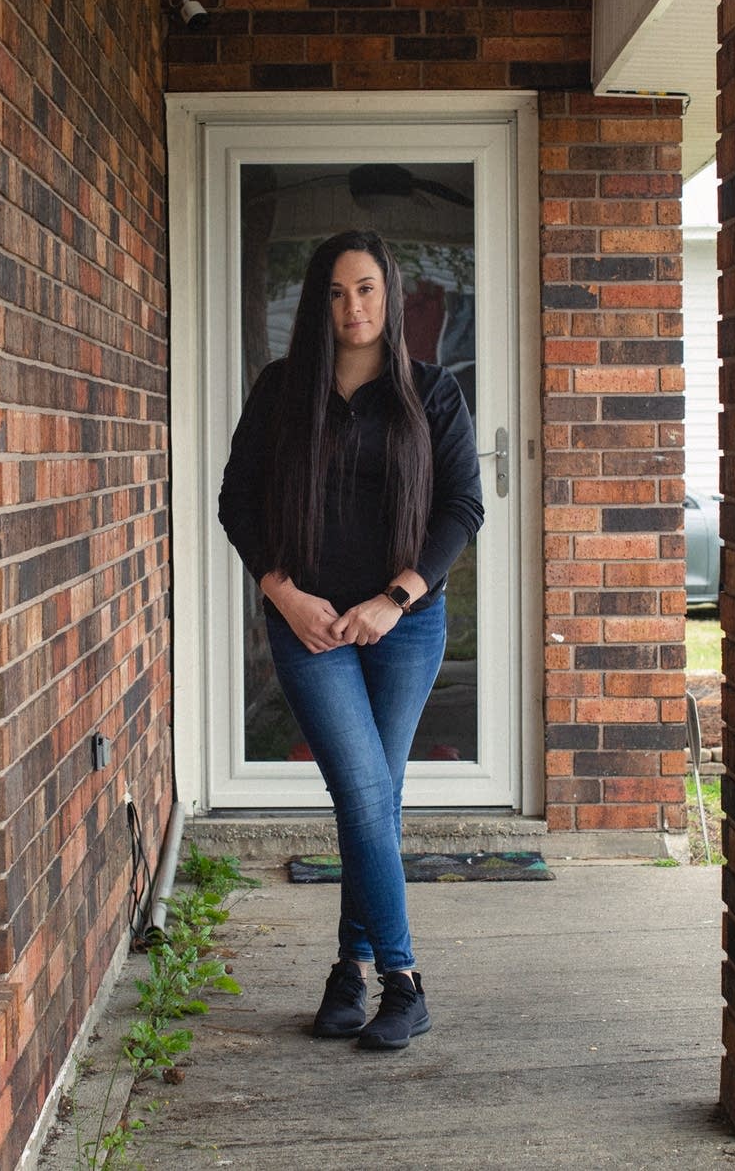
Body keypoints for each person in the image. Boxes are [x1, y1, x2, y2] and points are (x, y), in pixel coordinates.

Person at [218, 229, 484, 1052]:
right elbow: (238, 501)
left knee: (374, 797)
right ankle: (404, 982)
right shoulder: (280, 391)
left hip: (403, 626)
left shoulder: (431, 392)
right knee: (366, 794)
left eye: (365, 289)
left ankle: (348, 971)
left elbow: (462, 510)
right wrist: (284, 593)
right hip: (310, 627)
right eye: (336, 292)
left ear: (390, 296)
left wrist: (396, 598)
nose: (352, 307)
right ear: (318, 303)